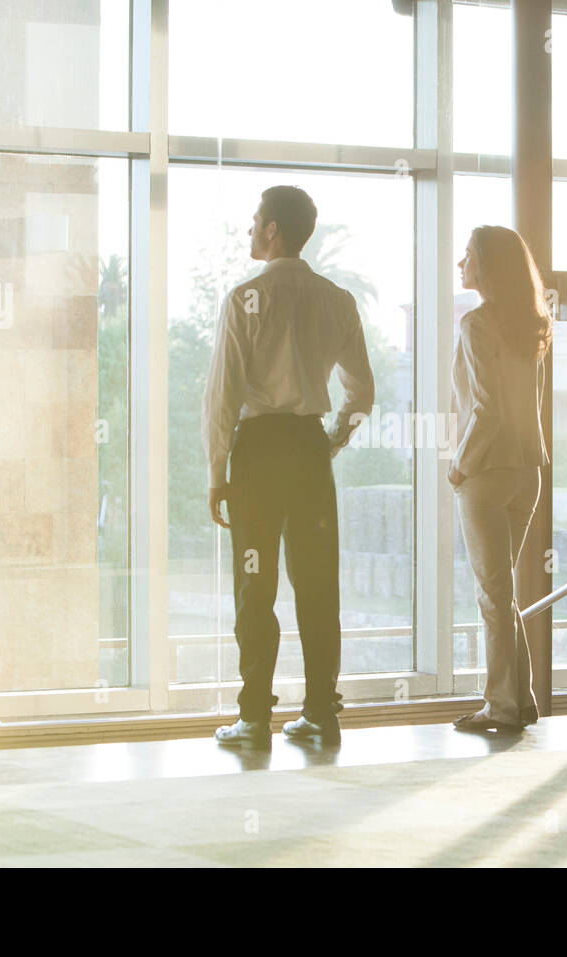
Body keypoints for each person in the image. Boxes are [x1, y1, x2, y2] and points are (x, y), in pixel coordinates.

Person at [202, 185, 375, 749]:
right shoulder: (337, 300)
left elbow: (222, 400)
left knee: (256, 586)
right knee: (319, 587)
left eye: (256, 220)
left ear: (273, 229)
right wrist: (329, 443)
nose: (251, 228)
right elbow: (362, 393)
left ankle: (254, 719)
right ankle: (322, 712)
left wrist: (216, 473)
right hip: (307, 451)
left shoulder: (245, 298)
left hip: (257, 455)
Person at [449, 226, 552, 733]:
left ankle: (503, 707)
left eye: (467, 256)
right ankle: (521, 699)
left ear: (486, 266)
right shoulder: (530, 323)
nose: (459, 263)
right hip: (527, 471)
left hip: (486, 473)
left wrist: (459, 465)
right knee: (502, 592)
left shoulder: (475, 325)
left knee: (493, 594)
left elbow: (485, 411)